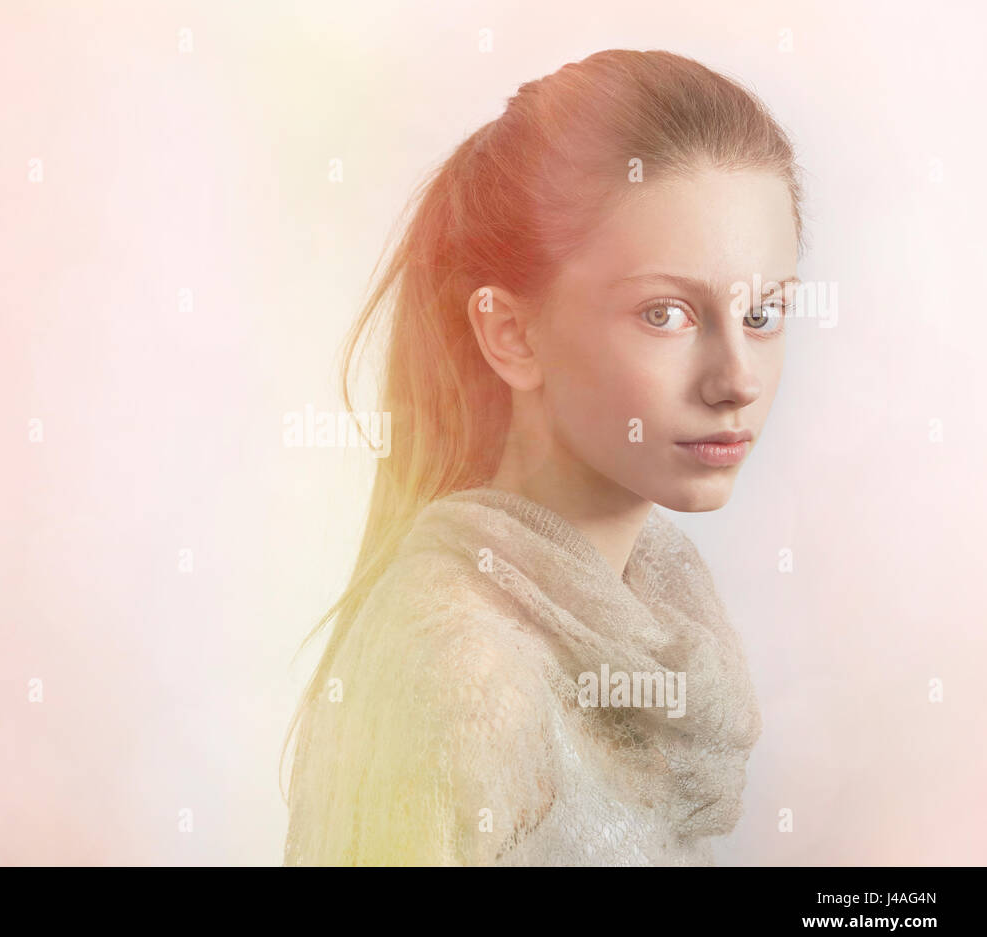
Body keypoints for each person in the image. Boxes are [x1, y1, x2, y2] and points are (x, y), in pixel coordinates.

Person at [281, 48, 803, 865]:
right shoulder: (465, 667)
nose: (737, 378)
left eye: (765, 312)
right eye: (665, 314)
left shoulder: (665, 616)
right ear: (511, 334)